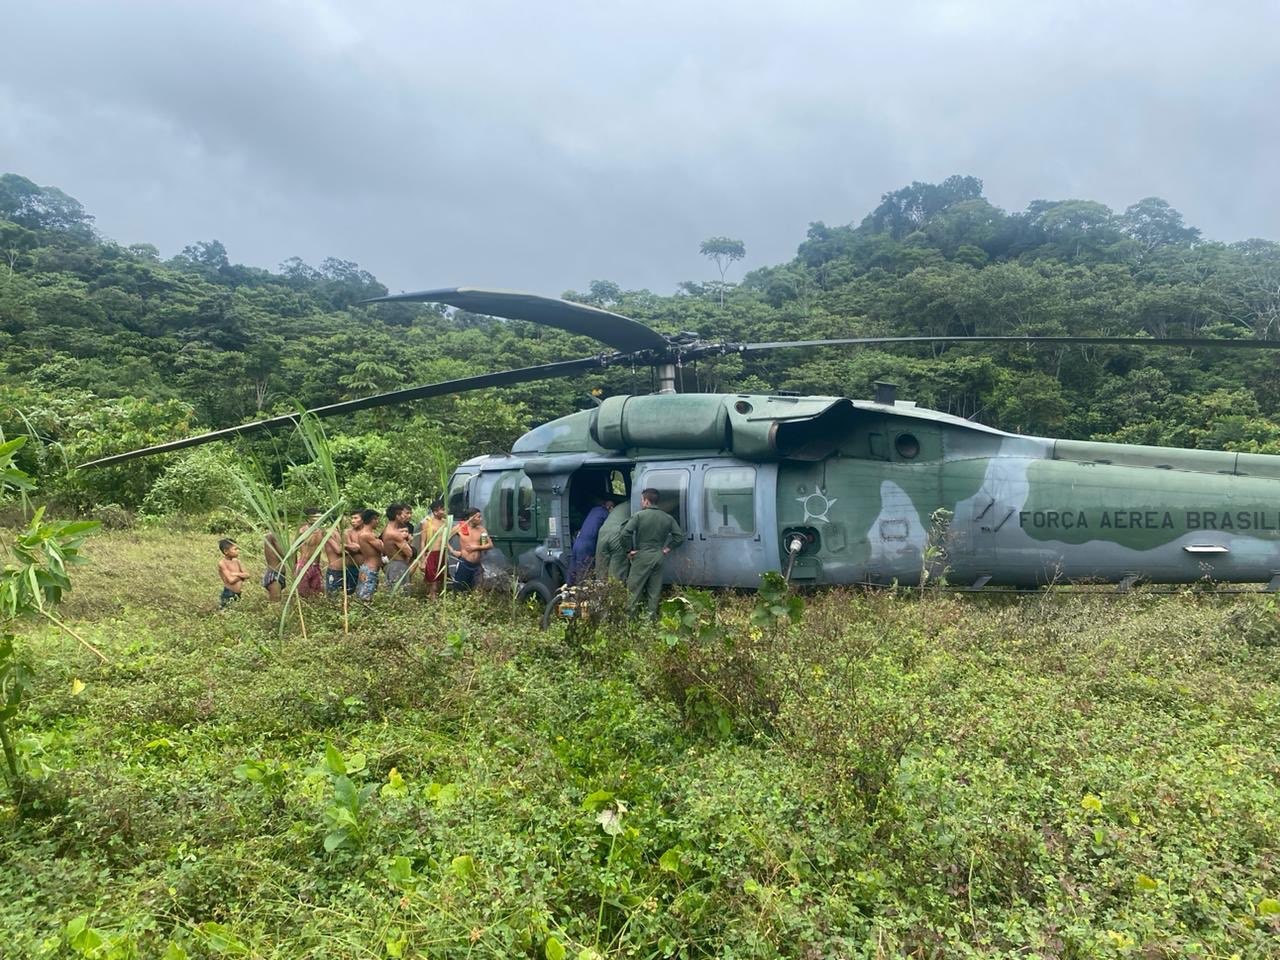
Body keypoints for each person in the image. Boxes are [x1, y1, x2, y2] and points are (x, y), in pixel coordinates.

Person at [620, 488, 683, 617]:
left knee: (633, 591)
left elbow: (625, 533)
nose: (642, 503)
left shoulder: (639, 515)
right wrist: (666, 549)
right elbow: (679, 537)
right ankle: (650, 621)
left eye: (642, 500)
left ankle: (630, 621)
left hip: (642, 556)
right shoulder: (668, 518)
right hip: (658, 556)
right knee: (654, 592)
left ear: (647, 501)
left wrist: (628, 550)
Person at [567, 498, 613, 584]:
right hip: (587, 545)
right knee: (583, 576)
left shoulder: (594, 510)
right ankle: (580, 595)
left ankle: (567, 592)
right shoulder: (605, 514)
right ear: (609, 507)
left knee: (572, 573)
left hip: (577, 543)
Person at [450, 508, 493, 590]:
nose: (481, 519)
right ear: (471, 517)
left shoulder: (482, 530)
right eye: (478, 517)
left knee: (477, 589)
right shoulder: (460, 527)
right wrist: (453, 551)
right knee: (459, 588)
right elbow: (445, 539)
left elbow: (489, 545)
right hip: (464, 563)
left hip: (477, 565)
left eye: (481, 517)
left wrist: (477, 547)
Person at [419, 498, 450, 598]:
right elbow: (423, 541)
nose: (445, 511)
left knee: (441, 577)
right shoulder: (427, 523)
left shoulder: (445, 522)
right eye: (443, 509)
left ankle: (435, 596)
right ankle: (432, 596)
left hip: (442, 553)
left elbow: (446, 539)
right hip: (431, 553)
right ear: (435, 512)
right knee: (432, 579)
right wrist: (423, 558)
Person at [595, 500, 632, 583]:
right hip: (617, 533)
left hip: (603, 532)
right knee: (617, 570)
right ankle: (614, 592)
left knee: (601, 568)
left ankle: (599, 592)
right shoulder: (636, 504)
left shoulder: (621, 506)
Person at [383, 502, 414, 594]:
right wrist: (408, 541)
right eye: (402, 515)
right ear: (397, 516)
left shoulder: (386, 530)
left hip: (392, 563)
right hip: (398, 565)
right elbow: (409, 553)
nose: (404, 517)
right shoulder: (395, 534)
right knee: (401, 593)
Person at [294, 507, 325, 597]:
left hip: (316, 565)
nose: (318, 519)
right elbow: (294, 549)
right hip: (304, 565)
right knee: (303, 593)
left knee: (316, 592)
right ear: (309, 518)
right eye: (315, 517)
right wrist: (294, 566)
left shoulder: (321, 531)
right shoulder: (302, 531)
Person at [355, 508, 384, 600]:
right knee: (366, 597)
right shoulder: (367, 535)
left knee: (369, 594)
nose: (377, 522)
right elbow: (382, 548)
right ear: (372, 520)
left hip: (370, 568)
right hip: (369, 569)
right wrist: (380, 541)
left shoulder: (369, 534)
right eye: (376, 519)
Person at [218, 538, 251, 608]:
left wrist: (236, 574)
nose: (238, 551)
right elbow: (231, 580)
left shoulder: (237, 561)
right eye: (235, 549)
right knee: (226, 612)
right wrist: (242, 576)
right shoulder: (222, 563)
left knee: (237, 610)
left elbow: (248, 575)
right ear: (226, 551)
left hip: (238, 593)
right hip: (228, 593)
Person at [343, 509, 365, 594]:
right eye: (352, 518)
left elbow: (356, 548)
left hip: (365, 567)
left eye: (356, 518)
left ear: (363, 519)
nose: (353, 521)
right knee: (350, 591)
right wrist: (351, 546)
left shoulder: (367, 533)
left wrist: (354, 547)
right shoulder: (348, 532)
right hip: (351, 567)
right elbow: (352, 548)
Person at [323, 521, 346, 595]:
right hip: (334, 571)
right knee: (333, 596)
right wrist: (350, 546)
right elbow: (338, 550)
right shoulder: (329, 532)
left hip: (344, 571)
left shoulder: (342, 532)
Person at [262, 529, 286, 601]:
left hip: (278, 574)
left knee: (277, 600)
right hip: (274, 574)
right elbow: (284, 553)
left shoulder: (272, 535)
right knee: (275, 600)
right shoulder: (273, 535)